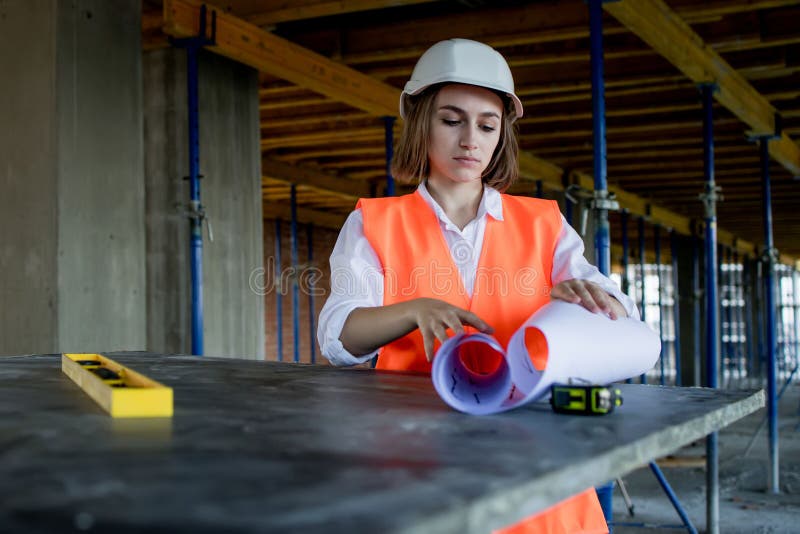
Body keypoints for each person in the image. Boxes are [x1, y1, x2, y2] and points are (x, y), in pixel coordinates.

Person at [317, 38, 637, 534]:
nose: (470, 139)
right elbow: (339, 339)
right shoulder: (373, 224)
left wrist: (587, 306)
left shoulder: (545, 224)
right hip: (416, 465)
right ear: (421, 122)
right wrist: (411, 309)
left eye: (487, 125)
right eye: (451, 120)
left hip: (536, 469)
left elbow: (617, 314)